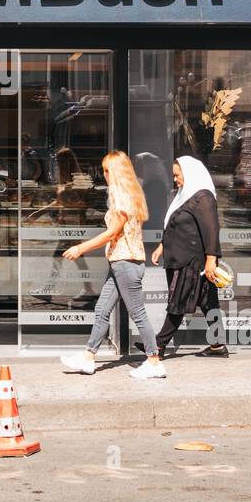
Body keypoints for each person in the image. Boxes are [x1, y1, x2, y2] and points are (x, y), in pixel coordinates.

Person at [57, 150, 165, 380]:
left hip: (126, 263)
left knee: (137, 313)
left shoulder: (122, 198)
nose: (103, 174)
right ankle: (88, 358)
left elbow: (111, 233)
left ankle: (154, 361)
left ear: (115, 172)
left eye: (107, 170)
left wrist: (80, 248)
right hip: (122, 262)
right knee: (102, 310)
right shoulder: (131, 194)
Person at [150, 155, 228, 358]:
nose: (175, 179)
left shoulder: (203, 197)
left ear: (190, 173)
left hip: (191, 261)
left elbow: (212, 229)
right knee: (208, 302)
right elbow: (176, 224)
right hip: (184, 257)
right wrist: (162, 246)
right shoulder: (186, 195)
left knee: (178, 300)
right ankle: (218, 345)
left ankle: (158, 346)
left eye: (177, 175)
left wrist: (211, 259)